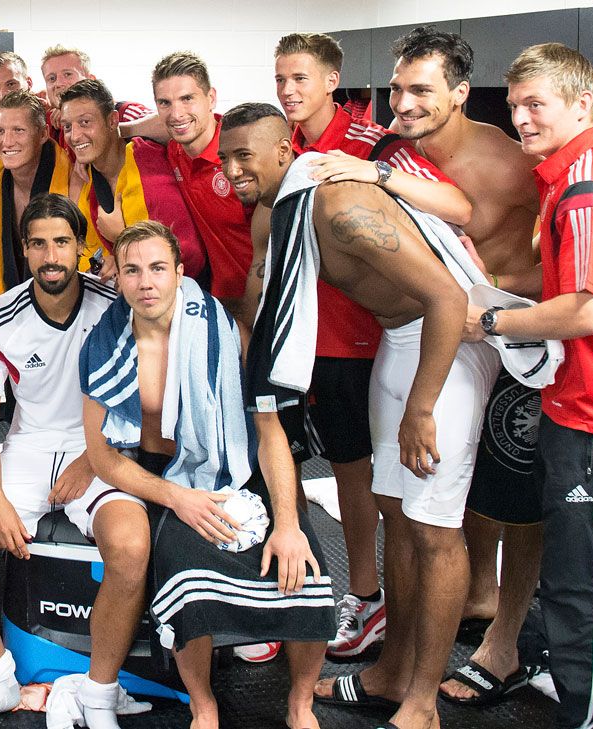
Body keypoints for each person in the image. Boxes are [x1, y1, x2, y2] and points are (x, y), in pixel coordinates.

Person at [217, 102, 498, 729]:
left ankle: (423, 702)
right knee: (394, 515)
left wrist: (423, 407)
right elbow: (258, 299)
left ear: (285, 154)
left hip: (449, 340)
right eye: (226, 157)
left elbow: (449, 298)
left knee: (433, 527)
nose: (233, 169)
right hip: (402, 339)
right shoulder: (277, 212)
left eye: (246, 156)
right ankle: (393, 670)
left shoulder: (339, 207)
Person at [464, 43, 593, 729]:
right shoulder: (592, 164)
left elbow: (585, 308)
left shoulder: (585, 187)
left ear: (582, 103)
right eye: (515, 104)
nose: (521, 118)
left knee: (579, 587)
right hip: (590, 403)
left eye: (535, 104)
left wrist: (490, 319)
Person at [81, 221, 335, 729]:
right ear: (119, 279)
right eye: (132, 270)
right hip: (159, 477)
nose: (146, 282)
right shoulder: (103, 346)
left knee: (307, 572)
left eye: (157, 268)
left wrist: (287, 523)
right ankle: (205, 704)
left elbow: (268, 433)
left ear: (179, 272)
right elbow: (105, 457)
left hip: (234, 465)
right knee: (184, 582)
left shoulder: (226, 331)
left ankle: (301, 704)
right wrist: (177, 498)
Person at [269, 31, 472, 660]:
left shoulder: (369, 145)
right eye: (280, 80)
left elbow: (458, 208)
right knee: (367, 494)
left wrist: (376, 171)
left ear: (332, 79)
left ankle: (375, 608)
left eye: (300, 78)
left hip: (383, 340)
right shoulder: (290, 148)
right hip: (331, 339)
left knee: (387, 497)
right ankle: (371, 628)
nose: (288, 90)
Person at [381, 26, 545, 706]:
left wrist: (514, 307)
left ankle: (503, 640)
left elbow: (562, 259)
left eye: (421, 89)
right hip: (445, 332)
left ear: (459, 93)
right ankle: (476, 594)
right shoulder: (396, 152)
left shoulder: (511, 163)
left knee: (517, 496)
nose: (405, 101)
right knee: (454, 485)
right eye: (396, 87)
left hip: (515, 334)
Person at [0, 194, 124, 729]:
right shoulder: (0, 313)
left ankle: (99, 696)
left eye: (62, 241)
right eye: (38, 243)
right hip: (28, 445)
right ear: (25, 250)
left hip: (98, 444)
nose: (50, 254)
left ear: (81, 247)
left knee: (130, 544)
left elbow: (133, 402)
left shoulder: (113, 304)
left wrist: (91, 458)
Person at [57, 79, 205, 280]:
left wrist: (122, 242)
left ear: (112, 121)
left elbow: (189, 260)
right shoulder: (89, 175)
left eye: (85, 123)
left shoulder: (148, 165)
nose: (74, 136)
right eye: (67, 127)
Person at [149, 52, 251, 311]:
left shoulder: (244, 154)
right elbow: (160, 125)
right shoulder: (175, 150)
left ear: (211, 98)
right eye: (165, 103)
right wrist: (119, 131)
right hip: (218, 303)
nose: (176, 113)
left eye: (187, 99)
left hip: (264, 302)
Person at [0, 91, 78, 297]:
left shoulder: (74, 177)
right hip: (14, 307)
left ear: (43, 134)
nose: (7, 142)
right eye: (0, 131)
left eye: (18, 130)